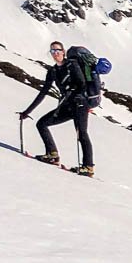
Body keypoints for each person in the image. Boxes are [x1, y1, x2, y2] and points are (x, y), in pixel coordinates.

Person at [19, 40, 96, 175]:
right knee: (42, 123)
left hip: (80, 105)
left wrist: (77, 95)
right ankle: (52, 154)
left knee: (81, 133)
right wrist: (27, 111)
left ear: (63, 52)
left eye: (57, 51)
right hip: (67, 106)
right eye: (52, 51)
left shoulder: (72, 65)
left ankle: (88, 167)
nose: (55, 54)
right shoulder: (53, 71)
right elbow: (43, 92)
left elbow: (82, 84)